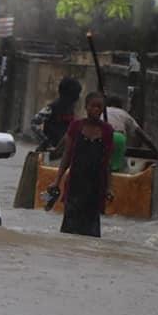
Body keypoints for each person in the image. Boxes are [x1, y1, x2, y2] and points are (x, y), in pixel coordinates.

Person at [50, 92, 115, 237]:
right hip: (75, 184)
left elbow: (107, 162)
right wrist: (57, 181)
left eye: (100, 107)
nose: (96, 110)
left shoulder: (107, 131)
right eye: (93, 106)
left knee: (91, 230)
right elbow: (66, 156)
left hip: (96, 186)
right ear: (86, 107)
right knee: (69, 228)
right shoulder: (76, 126)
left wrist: (110, 188)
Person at [105, 95, 158, 171]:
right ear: (120, 105)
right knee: (117, 167)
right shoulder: (124, 114)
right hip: (119, 138)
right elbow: (143, 136)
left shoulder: (103, 111)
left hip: (103, 137)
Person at [31, 76, 82, 154]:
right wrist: (46, 141)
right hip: (49, 151)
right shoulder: (52, 108)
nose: (77, 99)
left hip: (64, 151)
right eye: (74, 96)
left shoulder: (71, 109)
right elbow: (34, 123)